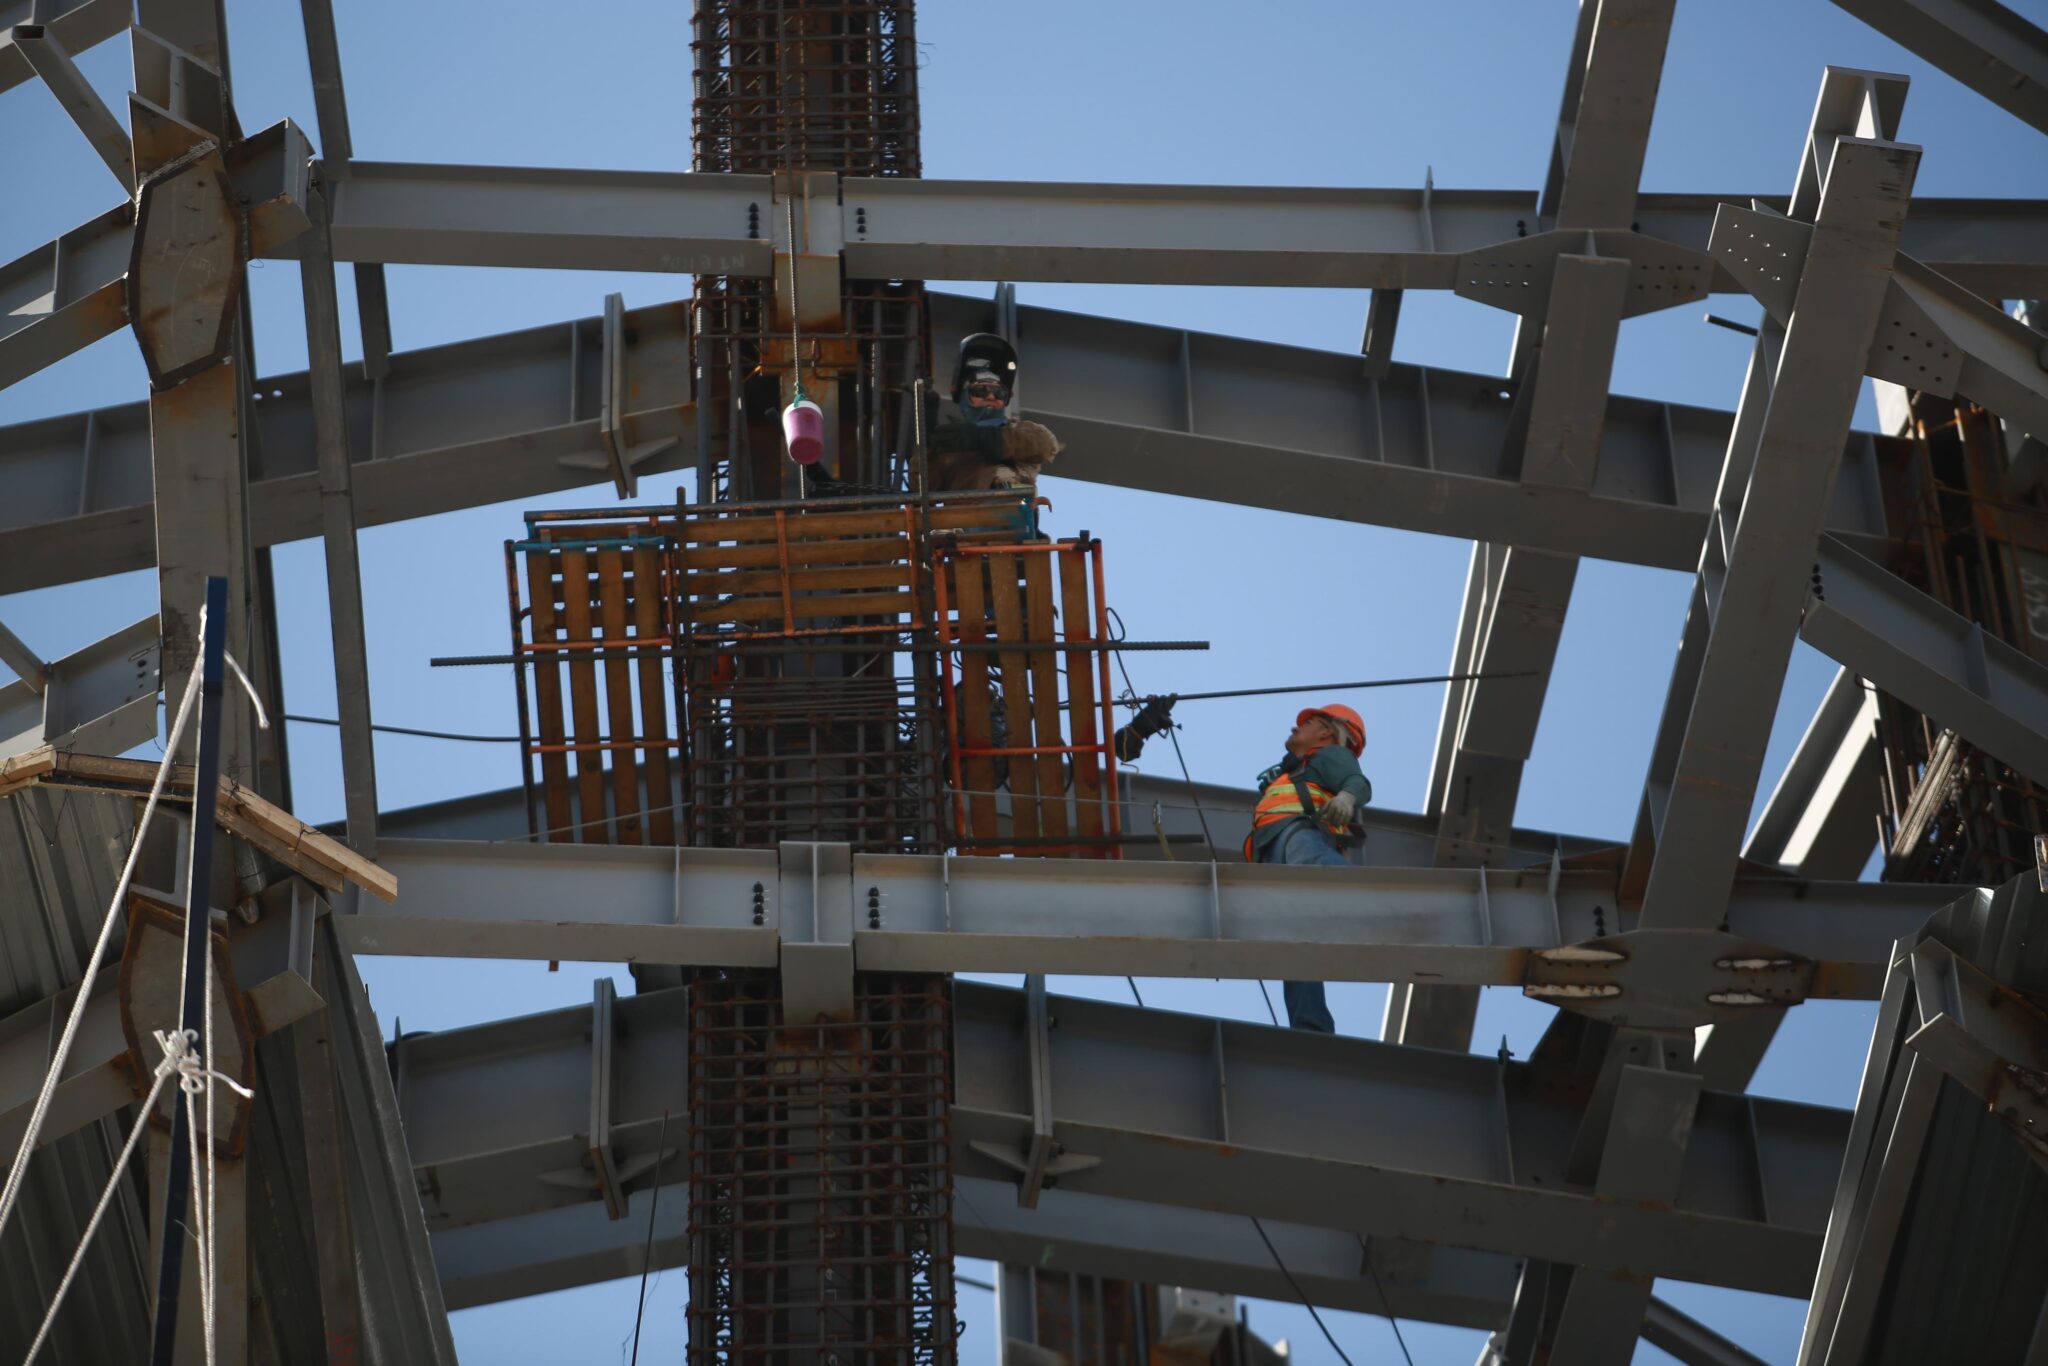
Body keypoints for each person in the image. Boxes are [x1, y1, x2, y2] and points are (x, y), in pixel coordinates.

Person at [1243, 704, 1370, 1033]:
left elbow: (1357, 781)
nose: (1294, 728)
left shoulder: (1326, 756)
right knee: (1295, 951)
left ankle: (1374, 902)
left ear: (1327, 732)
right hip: (1271, 854)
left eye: (1307, 723)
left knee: (1311, 863)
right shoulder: (1293, 771)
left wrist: (1346, 798)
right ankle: (1311, 1027)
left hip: (1297, 833)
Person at [926, 333, 1061, 492]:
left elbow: (1046, 445)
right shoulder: (950, 445)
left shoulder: (1020, 431)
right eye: (981, 390)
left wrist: (984, 438)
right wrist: (926, 441)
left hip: (1009, 509)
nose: (990, 396)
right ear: (963, 395)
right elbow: (923, 485)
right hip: (964, 513)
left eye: (999, 393)